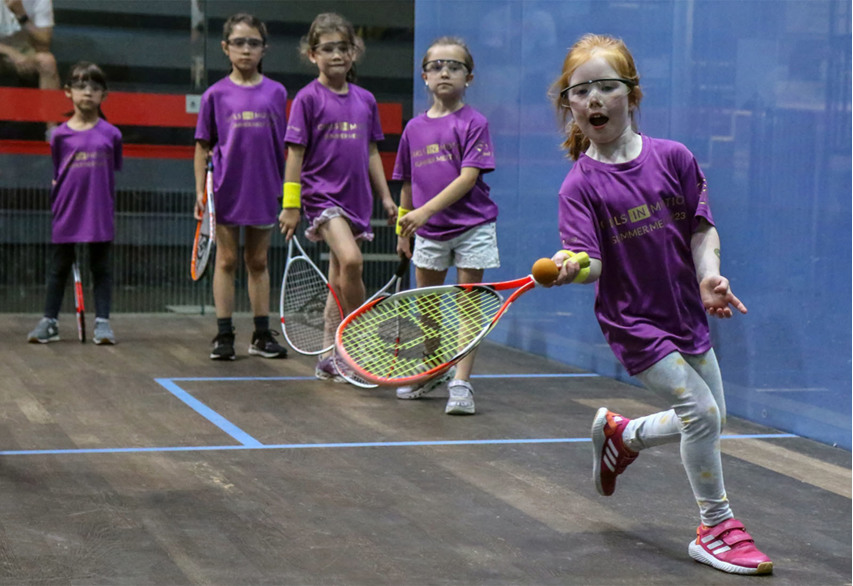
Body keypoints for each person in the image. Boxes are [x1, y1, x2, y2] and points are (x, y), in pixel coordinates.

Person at [546, 34, 772, 575]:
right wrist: (574, 265)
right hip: (633, 321)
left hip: (684, 312)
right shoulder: (580, 186)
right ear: (569, 105)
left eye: (608, 86)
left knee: (711, 420)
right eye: (582, 91)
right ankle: (715, 528)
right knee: (701, 413)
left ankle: (624, 435)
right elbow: (593, 263)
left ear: (633, 94)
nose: (595, 99)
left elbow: (701, 229)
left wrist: (709, 276)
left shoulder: (674, 158)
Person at [278, 12, 396, 381]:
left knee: (339, 273)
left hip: (357, 199)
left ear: (354, 52)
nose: (337, 55)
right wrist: (290, 205)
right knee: (353, 261)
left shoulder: (365, 100)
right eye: (327, 49)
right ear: (312, 55)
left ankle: (331, 355)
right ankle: (357, 343)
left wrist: (387, 198)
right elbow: (294, 155)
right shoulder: (307, 99)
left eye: (343, 48)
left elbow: (373, 152)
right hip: (321, 198)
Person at [393, 37, 499, 415]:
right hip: (429, 233)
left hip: (473, 226)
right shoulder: (413, 129)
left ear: (468, 77)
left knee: (468, 306)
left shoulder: (475, 123)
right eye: (437, 66)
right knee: (428, 308)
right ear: (424, 76)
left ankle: (461, 382)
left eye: (454, 66)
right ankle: (433, 369)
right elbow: (406, 183)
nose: (445, 72)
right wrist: (403, 232)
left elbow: (468, 177)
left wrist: (423, 213)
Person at [194, 13, 289, 361]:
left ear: (264, 49)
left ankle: (261, 335)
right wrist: (200, 194)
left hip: (264, 187)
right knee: (227, 260)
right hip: (225, 190)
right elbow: (202, 146)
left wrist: (288, 192)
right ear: (225, 48)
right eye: (238, 42)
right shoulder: (214, 95)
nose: (246, 49)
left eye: (253, 43)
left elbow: (285, 146)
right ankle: (223, 335)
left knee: (258, 260)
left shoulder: (277, 93)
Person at [27, 61, 121, 345]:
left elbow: (112, 170)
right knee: (58, 268)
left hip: (99, 211)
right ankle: (50, 322)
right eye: (81, 86)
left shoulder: (112, 134)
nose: (87, 93)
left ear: (104, 95)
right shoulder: (59, 135)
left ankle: (102, 324)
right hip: (67, 210)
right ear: (67, 92)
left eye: (94, 87)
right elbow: (59, 172)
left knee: (101, 268)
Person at [0, 0, 60, 138]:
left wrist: (22, 15)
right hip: (4, 50)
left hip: (25, 51)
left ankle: (52, 131)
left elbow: (44, 42)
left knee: (47, 61)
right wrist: (10, 52)